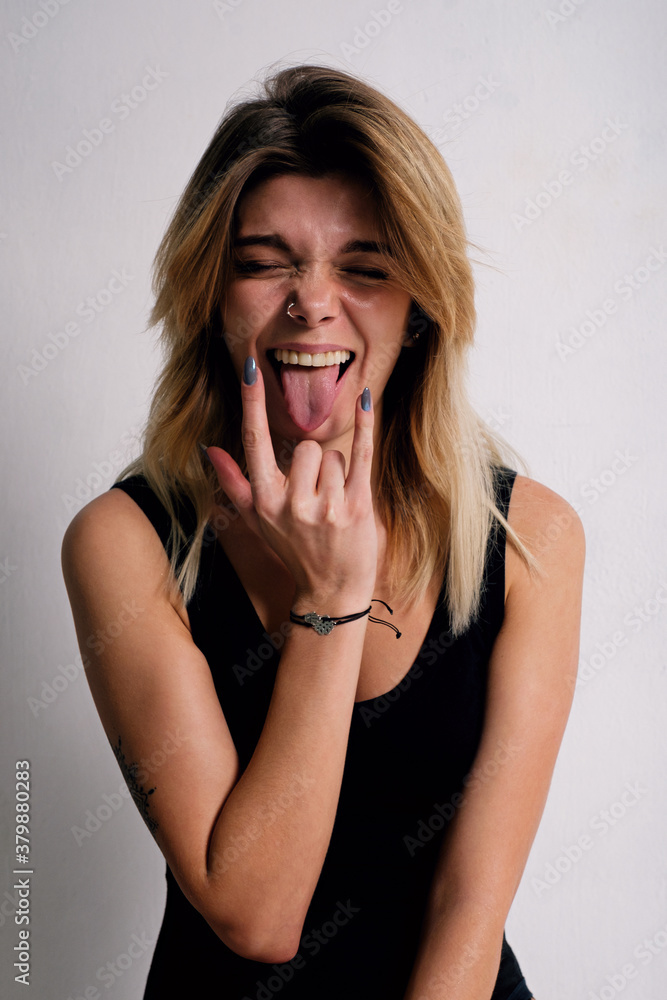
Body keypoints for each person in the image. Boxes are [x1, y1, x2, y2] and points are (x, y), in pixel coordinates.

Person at [61, 64, 584, 999]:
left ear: (420, 306)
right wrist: (331, 601)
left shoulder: (531, 537)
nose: (311, 300)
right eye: (265, 263)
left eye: (365, 267)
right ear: (210, 294)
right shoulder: (122, 541)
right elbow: (254, 916)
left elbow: (472, 902)